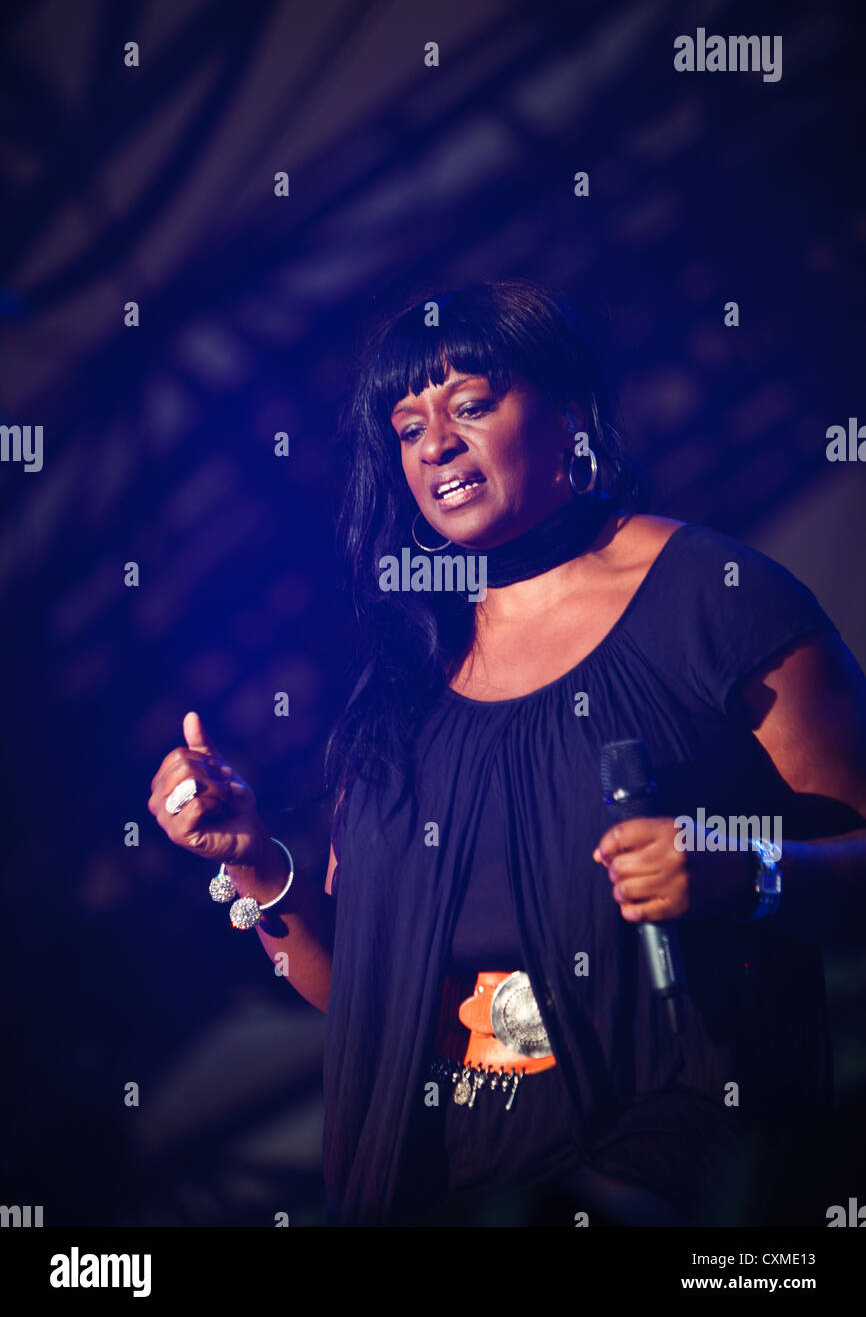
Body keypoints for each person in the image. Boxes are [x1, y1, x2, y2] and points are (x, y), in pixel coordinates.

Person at [148, 279, 866, 1228]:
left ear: (569, 414)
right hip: (438, 1176)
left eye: (472, 406)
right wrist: (252, 861)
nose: (436, 444)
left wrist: (747, 869)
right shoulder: (406, 680)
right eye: (408, 428)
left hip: (667, 1165)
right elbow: (368, 997)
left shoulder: (712, 596)